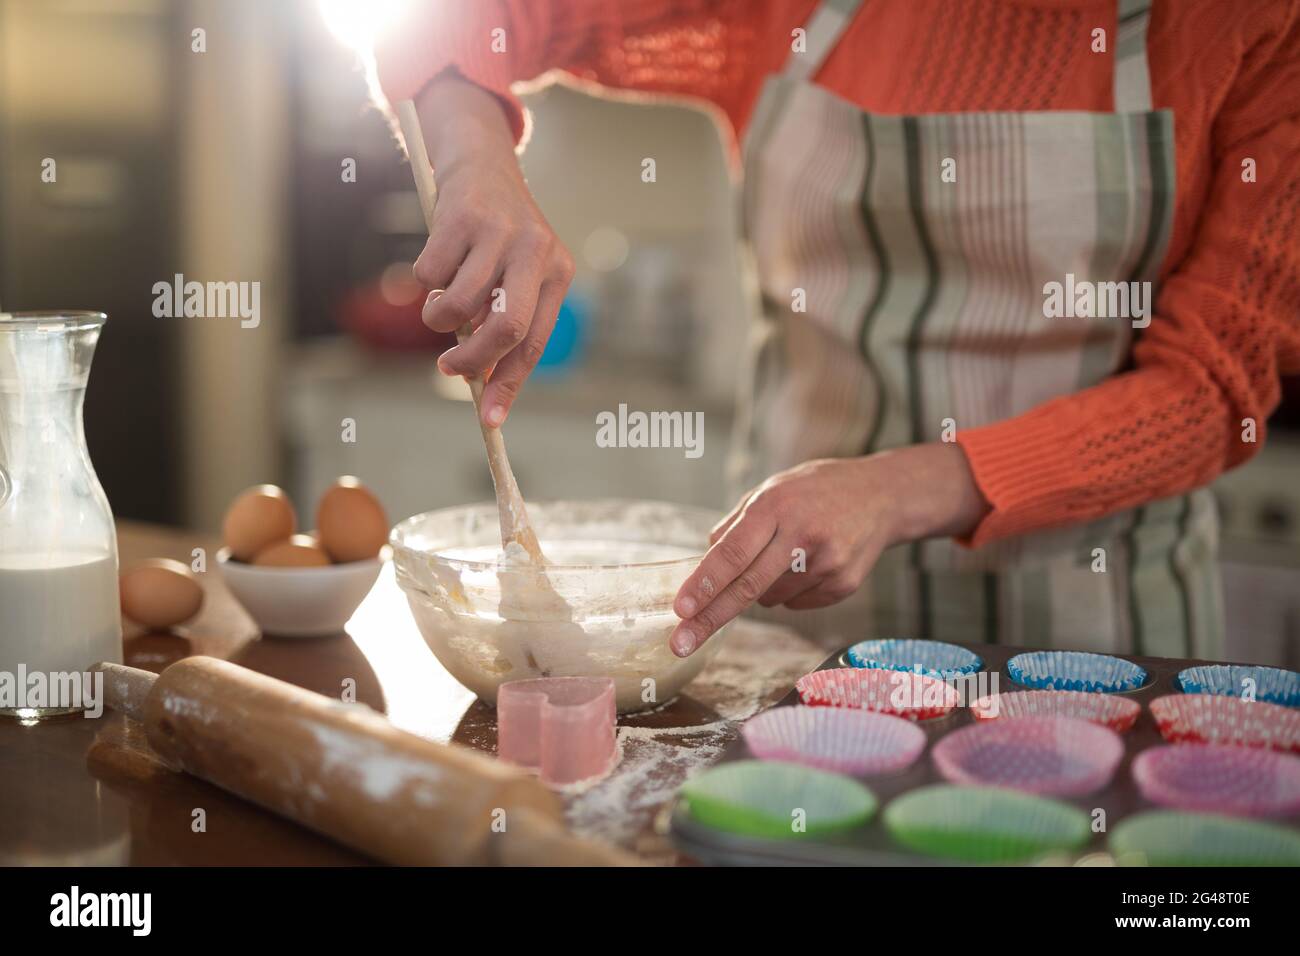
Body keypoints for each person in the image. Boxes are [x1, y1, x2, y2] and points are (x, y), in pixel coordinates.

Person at [372, 0, 1300, 661]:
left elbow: (1218, 388)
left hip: (1092, 644)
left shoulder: (1249, 24)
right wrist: (474, 154)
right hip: (796, 628)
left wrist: (894, 490)